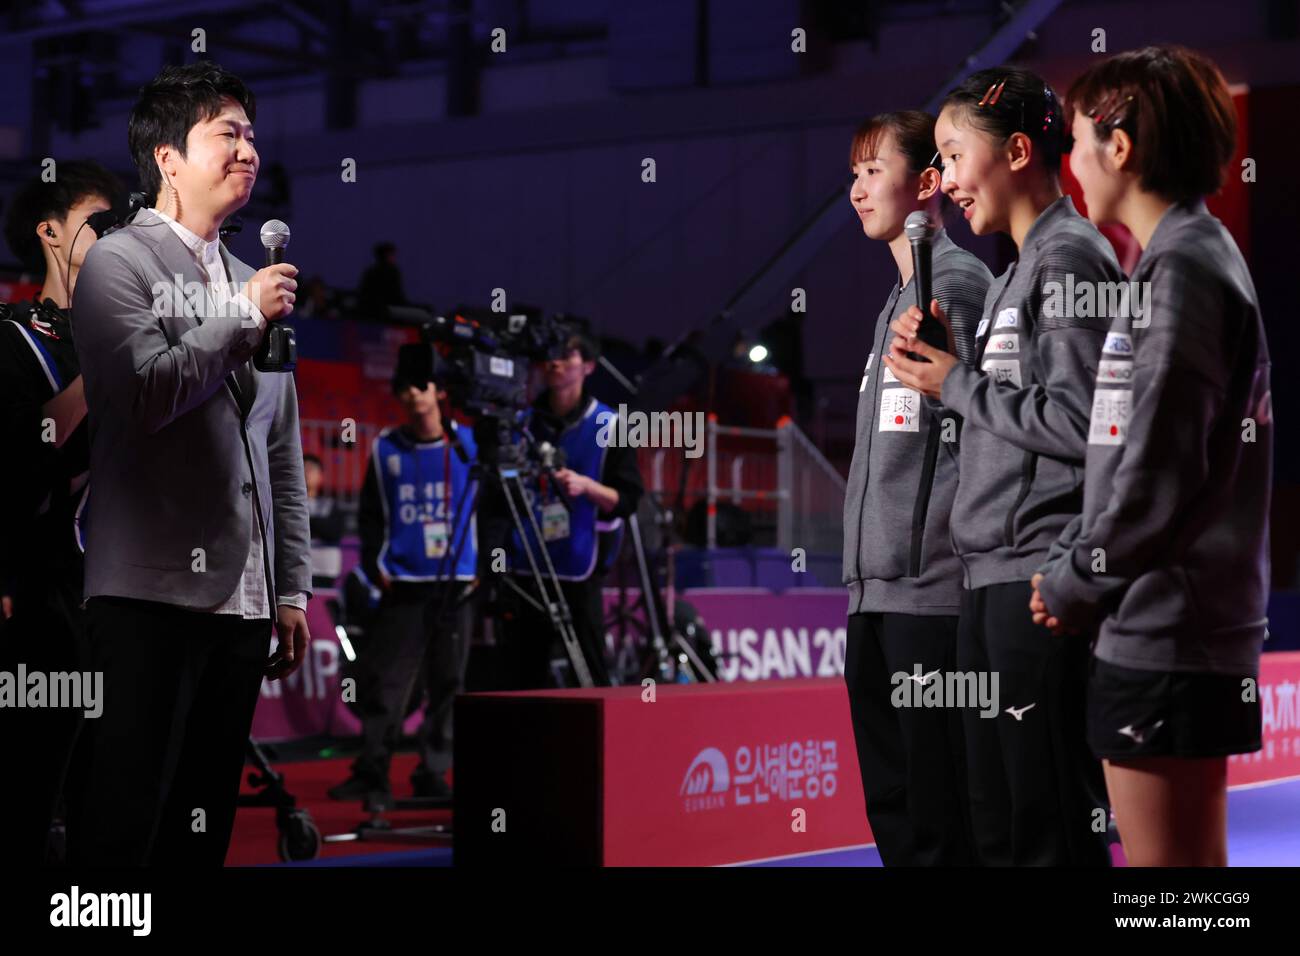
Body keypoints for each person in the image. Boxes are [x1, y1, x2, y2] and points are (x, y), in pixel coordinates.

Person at [67, 61, 310, 866]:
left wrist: (292, 587)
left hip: (243, 604)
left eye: (252, 136)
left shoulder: (255, 282)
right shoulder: (118, 263)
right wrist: (239, 317)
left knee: (198, 830)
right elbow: (139, 397)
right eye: (228, 134)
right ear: (168, 159)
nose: (250, 151)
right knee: (121, 822)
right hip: (147, 596)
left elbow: (280, 454)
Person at [1032, 46, 1268, 866]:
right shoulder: (1187, 258)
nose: (1069, 163)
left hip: (1166, 629)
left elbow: (1159, 473)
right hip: (1173, 623)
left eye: (1075, 140)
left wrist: (1073, 578)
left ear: (1120, 148)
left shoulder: (1183, 270)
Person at [886, 66, 1123, 866]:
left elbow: (1086, 423)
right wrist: (954, 382)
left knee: (1047, 824)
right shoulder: (1013, 277)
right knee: (996, 828)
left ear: (1017, 151)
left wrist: (953, 382)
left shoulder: (1067, 260)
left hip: (1036, 583)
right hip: (987, 583)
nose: (944, 181)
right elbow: (1013, 416)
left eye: (953, 157)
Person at [840, 111, 992, 866]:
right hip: (872, 596)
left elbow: (984, 428)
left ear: (927, 181)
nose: (857, 189)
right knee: (895, 812)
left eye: (873, 170)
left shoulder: (958, 285)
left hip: (930, 596)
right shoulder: (889, 304)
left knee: (940, 815)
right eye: (854, 174)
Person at [0, 159, 121, 864]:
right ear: (51, 233)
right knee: (32, 780)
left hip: (130, 597)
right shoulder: (11, 339)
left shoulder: (133, 332)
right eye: (98, 225)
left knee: (111, 796)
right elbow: (22, 453)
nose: (116, 239)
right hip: (47, 600)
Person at [330, 360, 478, 802]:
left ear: (439, 392)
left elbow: (491, 513)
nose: (413, 394)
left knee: (448, 683)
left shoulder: (469, 446)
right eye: (404, 388)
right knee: (386, 683)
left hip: (458, 585)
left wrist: (485, 568)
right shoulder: (385, 449)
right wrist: (379, 567)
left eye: (421, 385)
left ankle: (433, 772)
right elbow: (371, 516)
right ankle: (372, 770)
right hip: (404, 583)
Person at [493, 329, 643, 688]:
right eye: (551, 356)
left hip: (579, 569)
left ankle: (600, 742)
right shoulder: (521, 423)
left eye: (568, 355)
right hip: (527, 566)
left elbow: (628, 500)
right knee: (522, 677)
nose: (556, 363)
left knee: (589, 674)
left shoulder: (611, 425)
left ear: (588, 366)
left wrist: (587, 487)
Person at [304, 452, 345, 589]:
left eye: (311, 469)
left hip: (325, 571)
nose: (306, 473)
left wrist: (308, 521)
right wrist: (318, 524)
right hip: (297, 569)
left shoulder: (331, 504)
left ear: (320, 476)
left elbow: (334, 532)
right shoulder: (288, 504)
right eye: (303, 468)